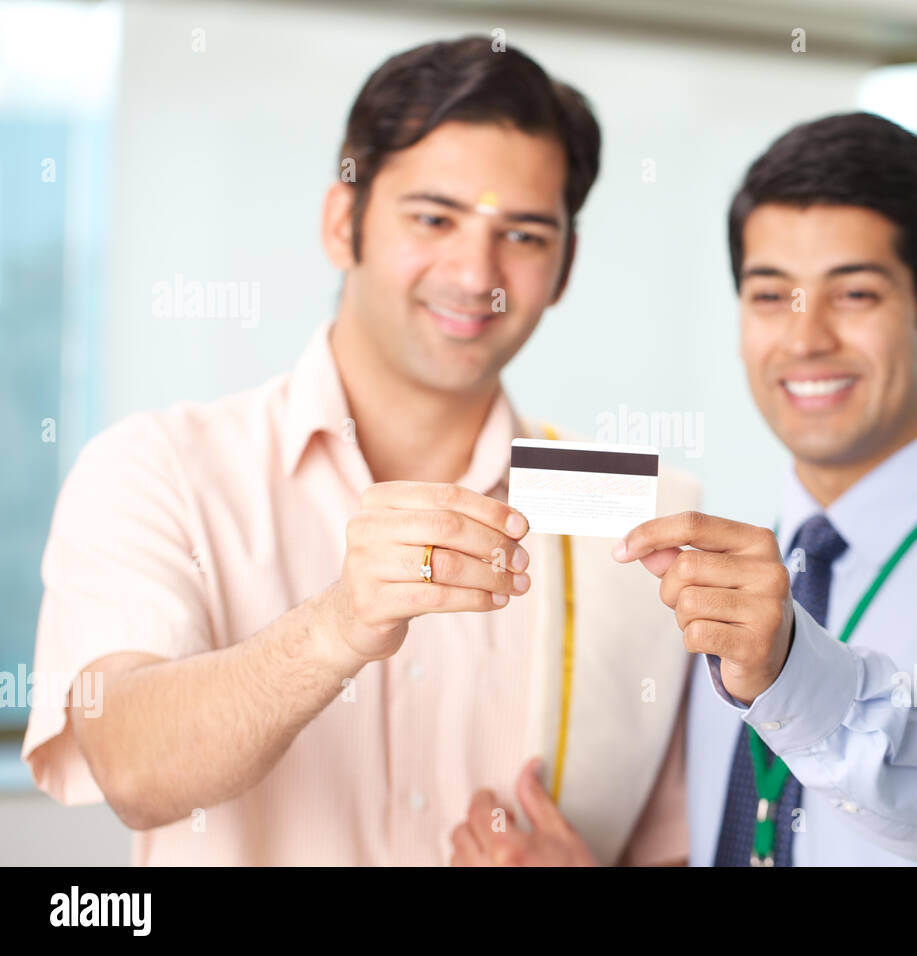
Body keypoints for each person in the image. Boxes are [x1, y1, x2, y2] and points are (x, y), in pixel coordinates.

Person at [21, 35, 696, 867]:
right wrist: (336, 625)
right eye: (434, 218)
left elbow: (669, 839)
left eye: (522, 235)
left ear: (563, 268)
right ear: (344, 222)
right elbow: (129, 766)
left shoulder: (636, 507)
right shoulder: (158, 467)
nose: (475, 270)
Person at [464, 111, 917, 867]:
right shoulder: (728, 584)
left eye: (854, 294)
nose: (805, 338)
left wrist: (795, 674)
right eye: (770, 296)